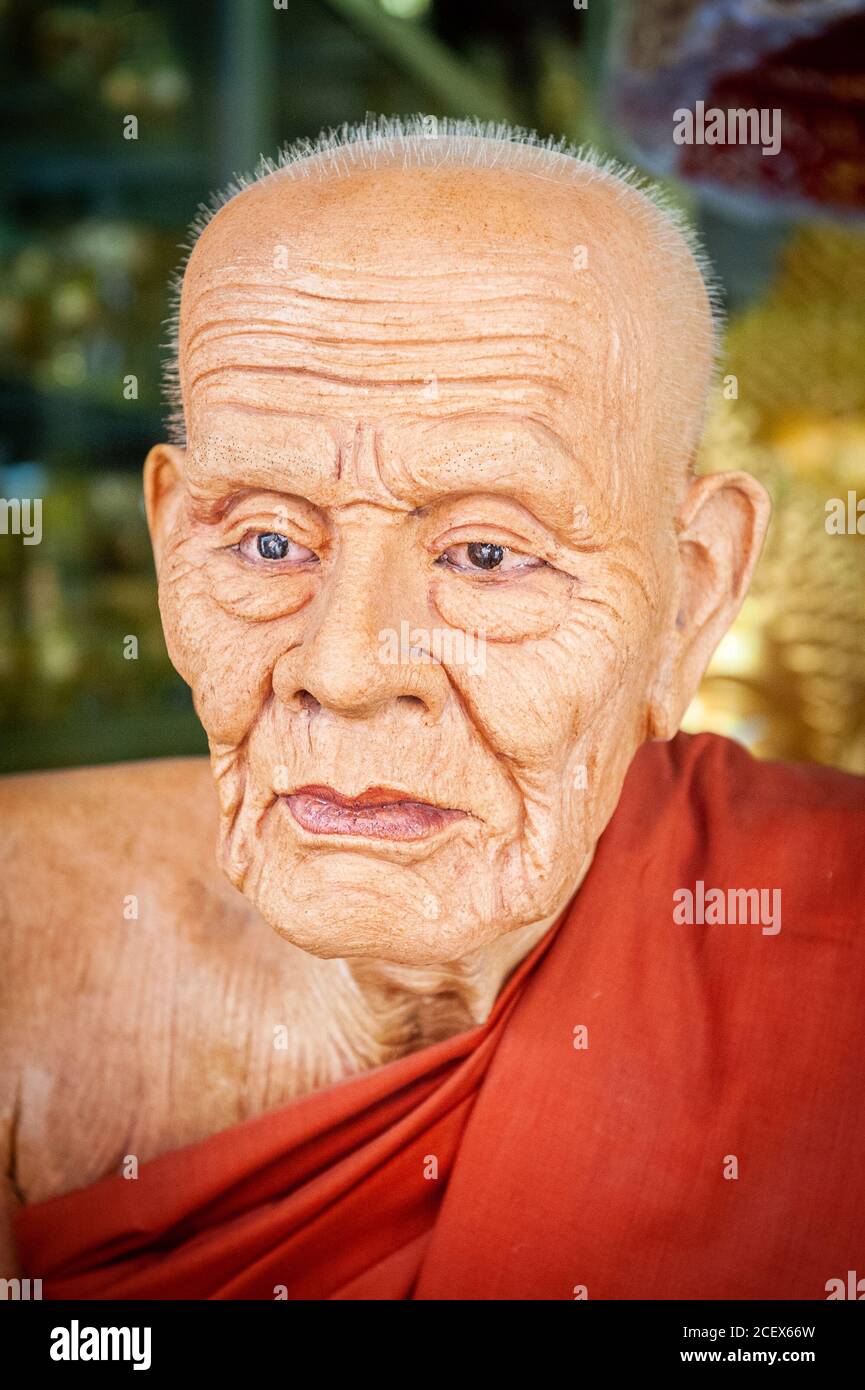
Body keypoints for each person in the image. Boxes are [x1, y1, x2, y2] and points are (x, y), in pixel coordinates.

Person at [1, 117, 863, 1300]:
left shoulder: (831, 947)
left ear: (691, 595)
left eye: (488, 555)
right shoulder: (17, 953)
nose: (345, 667)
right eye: (266, 539)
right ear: (166, 543)